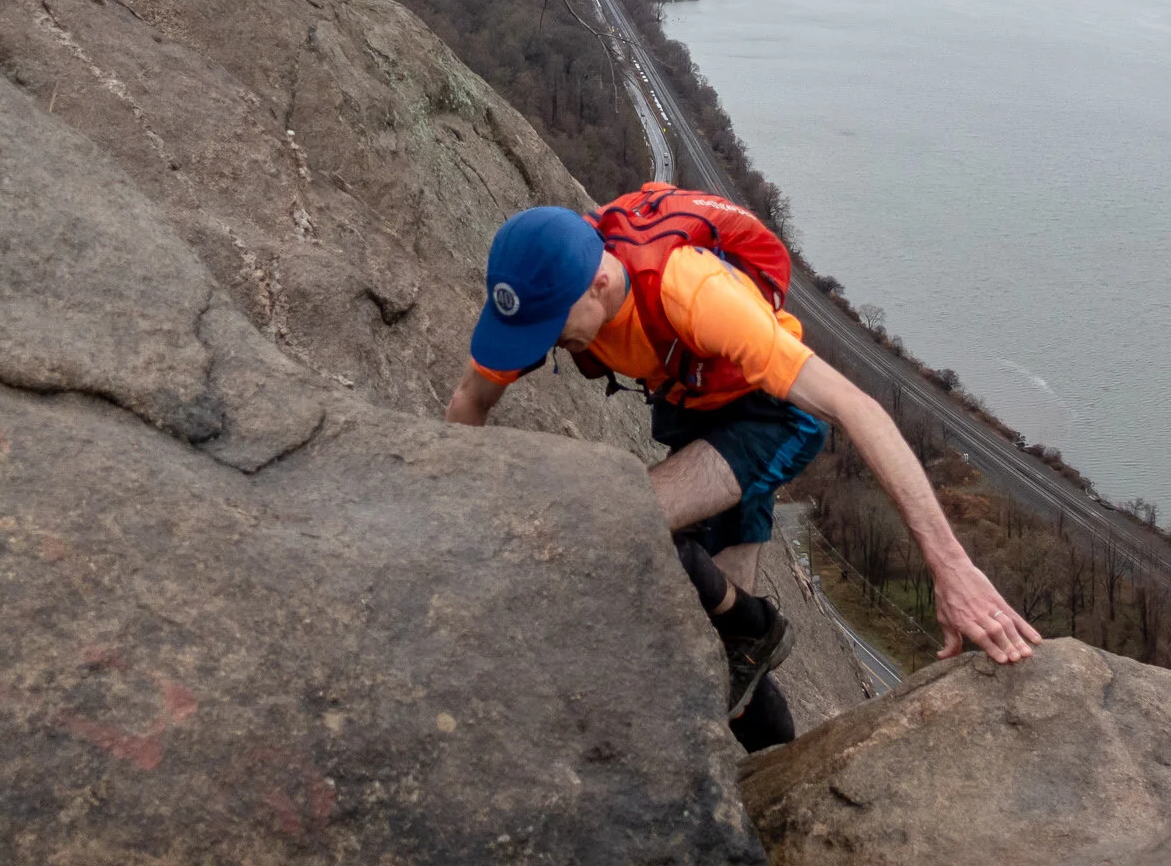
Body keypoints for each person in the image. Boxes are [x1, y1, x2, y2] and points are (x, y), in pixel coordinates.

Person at [445, 191, 1041, 742]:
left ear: (600, 283)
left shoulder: (697, 296)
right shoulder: (551, 286)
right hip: (694, 403)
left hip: (769, 415)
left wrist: (951, 568)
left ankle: (753, 627)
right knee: (725, 661)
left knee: (627, 517)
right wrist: (449, 521)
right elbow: (471, 400)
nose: (545, 345)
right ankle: (770, 734)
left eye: (552, 330)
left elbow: (857, 407)